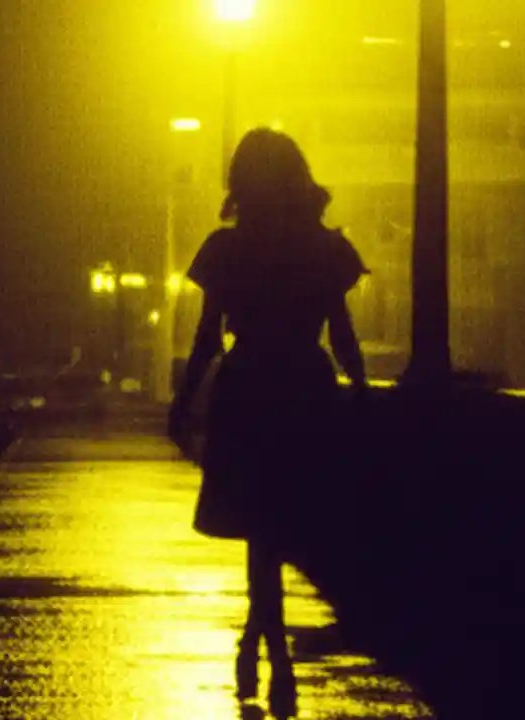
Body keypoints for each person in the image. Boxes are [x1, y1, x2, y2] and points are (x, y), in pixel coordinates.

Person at [168, 128, 368, 719]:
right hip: (305, 383)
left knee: (257, 520)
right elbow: (342, 329)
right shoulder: (324, 248)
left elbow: (207, 338)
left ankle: (267, 635)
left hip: (249, 382)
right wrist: (358, 385)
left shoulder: (226, 250)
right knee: (292, 516)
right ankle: (267, 634)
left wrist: (183, 404)